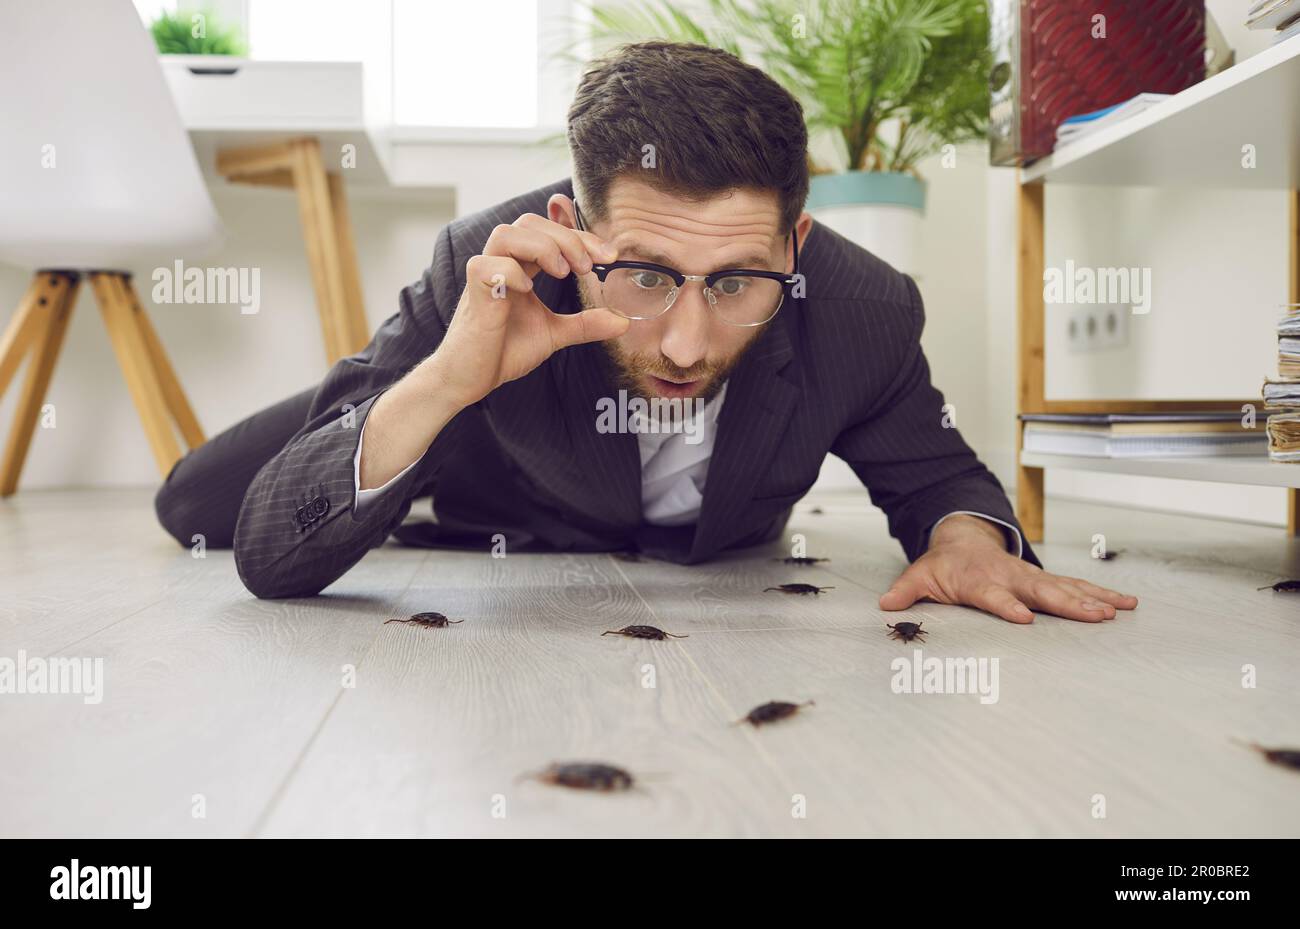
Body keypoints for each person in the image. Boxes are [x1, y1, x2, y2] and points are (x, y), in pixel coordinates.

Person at [156, 41, 1137, 624]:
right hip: (482, 487)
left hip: (689, 540)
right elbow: (270, 559)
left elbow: (935, 476)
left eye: (741, 281)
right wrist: (447, 381)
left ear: (796, 242)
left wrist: (964, 537)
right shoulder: (488, 263)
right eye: (647, 276)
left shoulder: (864, 308)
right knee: (196, 499)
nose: (682, 343)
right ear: (574, 228)